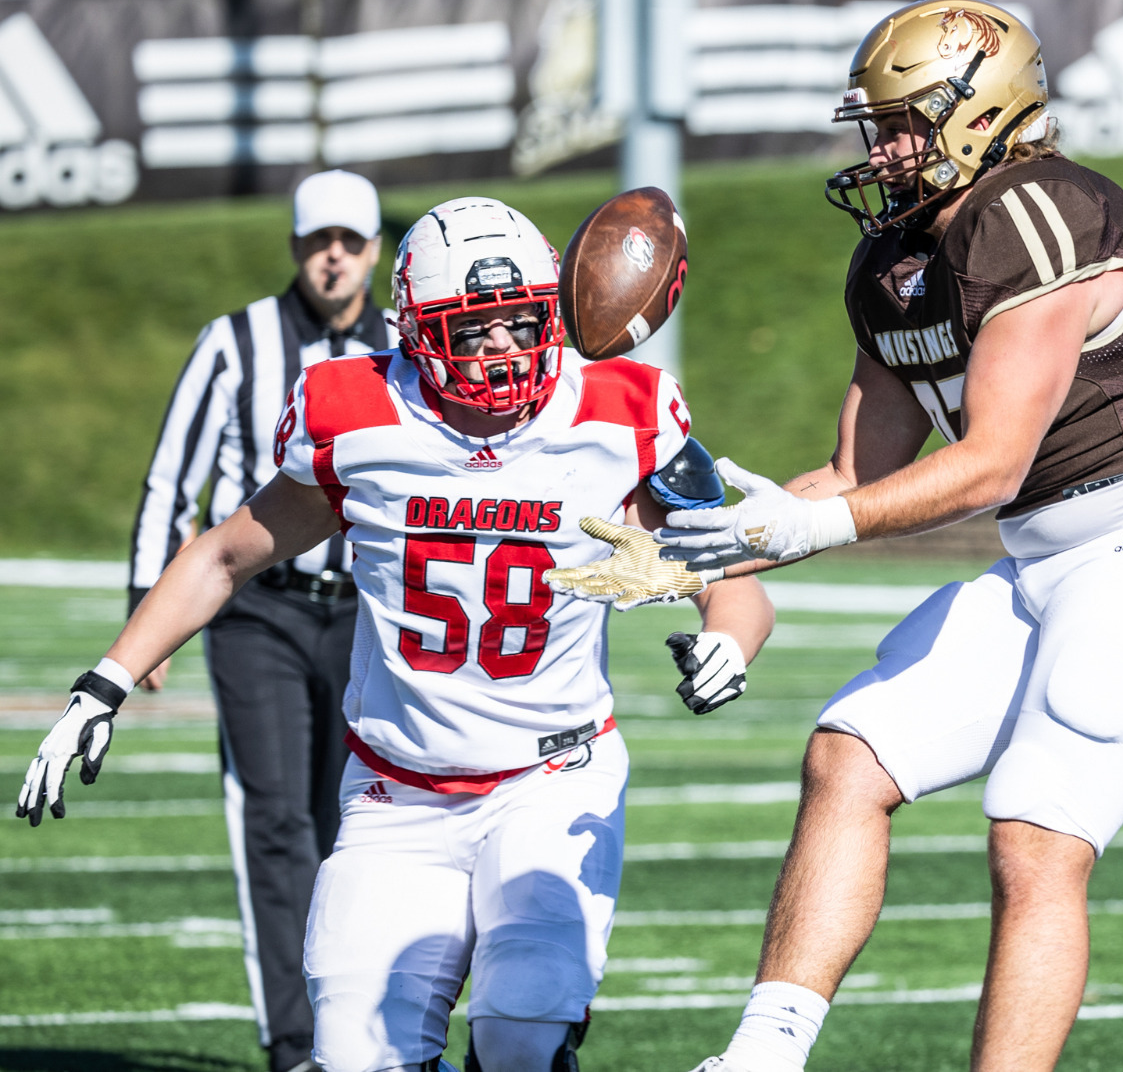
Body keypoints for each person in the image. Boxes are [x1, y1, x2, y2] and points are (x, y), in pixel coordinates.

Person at [548, 0, 1123, 1072]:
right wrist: (696, 546)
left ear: (981, 110)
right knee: (850, 752)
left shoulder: (1034, 209)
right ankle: (761, 1053)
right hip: (1046, 559)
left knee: (1033, 830)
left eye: (903, 121)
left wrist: (796, 525)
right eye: (873, 123)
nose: (880, 147)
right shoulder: (893, 258)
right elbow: (853, 475)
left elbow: (990, 462)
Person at [19, 195, 773, 1072]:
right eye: (471, 329)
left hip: (552, 776)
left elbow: (728, 575)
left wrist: (728, 637)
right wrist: (103, 683)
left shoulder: (622, 411)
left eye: (519, 320)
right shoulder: (360, 413)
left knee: (522, 1034)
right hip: (397, 792)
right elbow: (225, 557)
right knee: (356, 1058)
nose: (499, 349)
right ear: (415, 333)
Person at [124, 168, 393, 1072]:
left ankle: (359, 1033)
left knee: (355, 824)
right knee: (277, 821)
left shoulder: (405, 346)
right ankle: (294, 1043)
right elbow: (174, 478)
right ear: (295, 246)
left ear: (374, 250)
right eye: (320, 241)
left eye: (350, 242)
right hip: (262, 616)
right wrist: (147, 611)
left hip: (370, 617)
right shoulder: (234, 343)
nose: (334, 257)